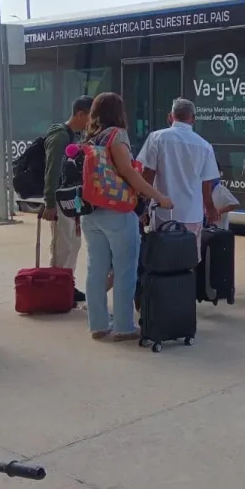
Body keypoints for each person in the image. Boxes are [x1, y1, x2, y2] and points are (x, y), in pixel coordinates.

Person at [80, 93, 172, 342]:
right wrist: (157, 195)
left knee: (95, 269)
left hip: (91, 212)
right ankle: (123, 326)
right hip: (117, 211)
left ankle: (98, 325)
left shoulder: (89, 138)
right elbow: (128, 172)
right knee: (125, 269)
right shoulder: (116, 135)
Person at [138, 98, 220, 261]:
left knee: (162, 260)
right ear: (193, 119)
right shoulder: (205, 146)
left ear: (170, 116)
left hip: (163, 213)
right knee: (189, 260)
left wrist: (142, 207)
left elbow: (147, 175)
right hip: (192, 215)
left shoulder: (157, 138)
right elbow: (206, 184)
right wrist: (210, 209)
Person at [40, 95, 92, 303]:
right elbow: (51, 170)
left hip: (74, 199)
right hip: (61, 199)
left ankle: (67, 283)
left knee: (74, 242)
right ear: (80, 114)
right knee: (63, 244)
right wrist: (50, 202)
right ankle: (58, 288)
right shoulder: (61, 136)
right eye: (91, 116)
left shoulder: (75, 136)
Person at [210, 163, 240, 230]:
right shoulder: (200, 188)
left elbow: (235, 204)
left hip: (219, 228)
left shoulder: (220, 189)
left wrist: (219, 212)